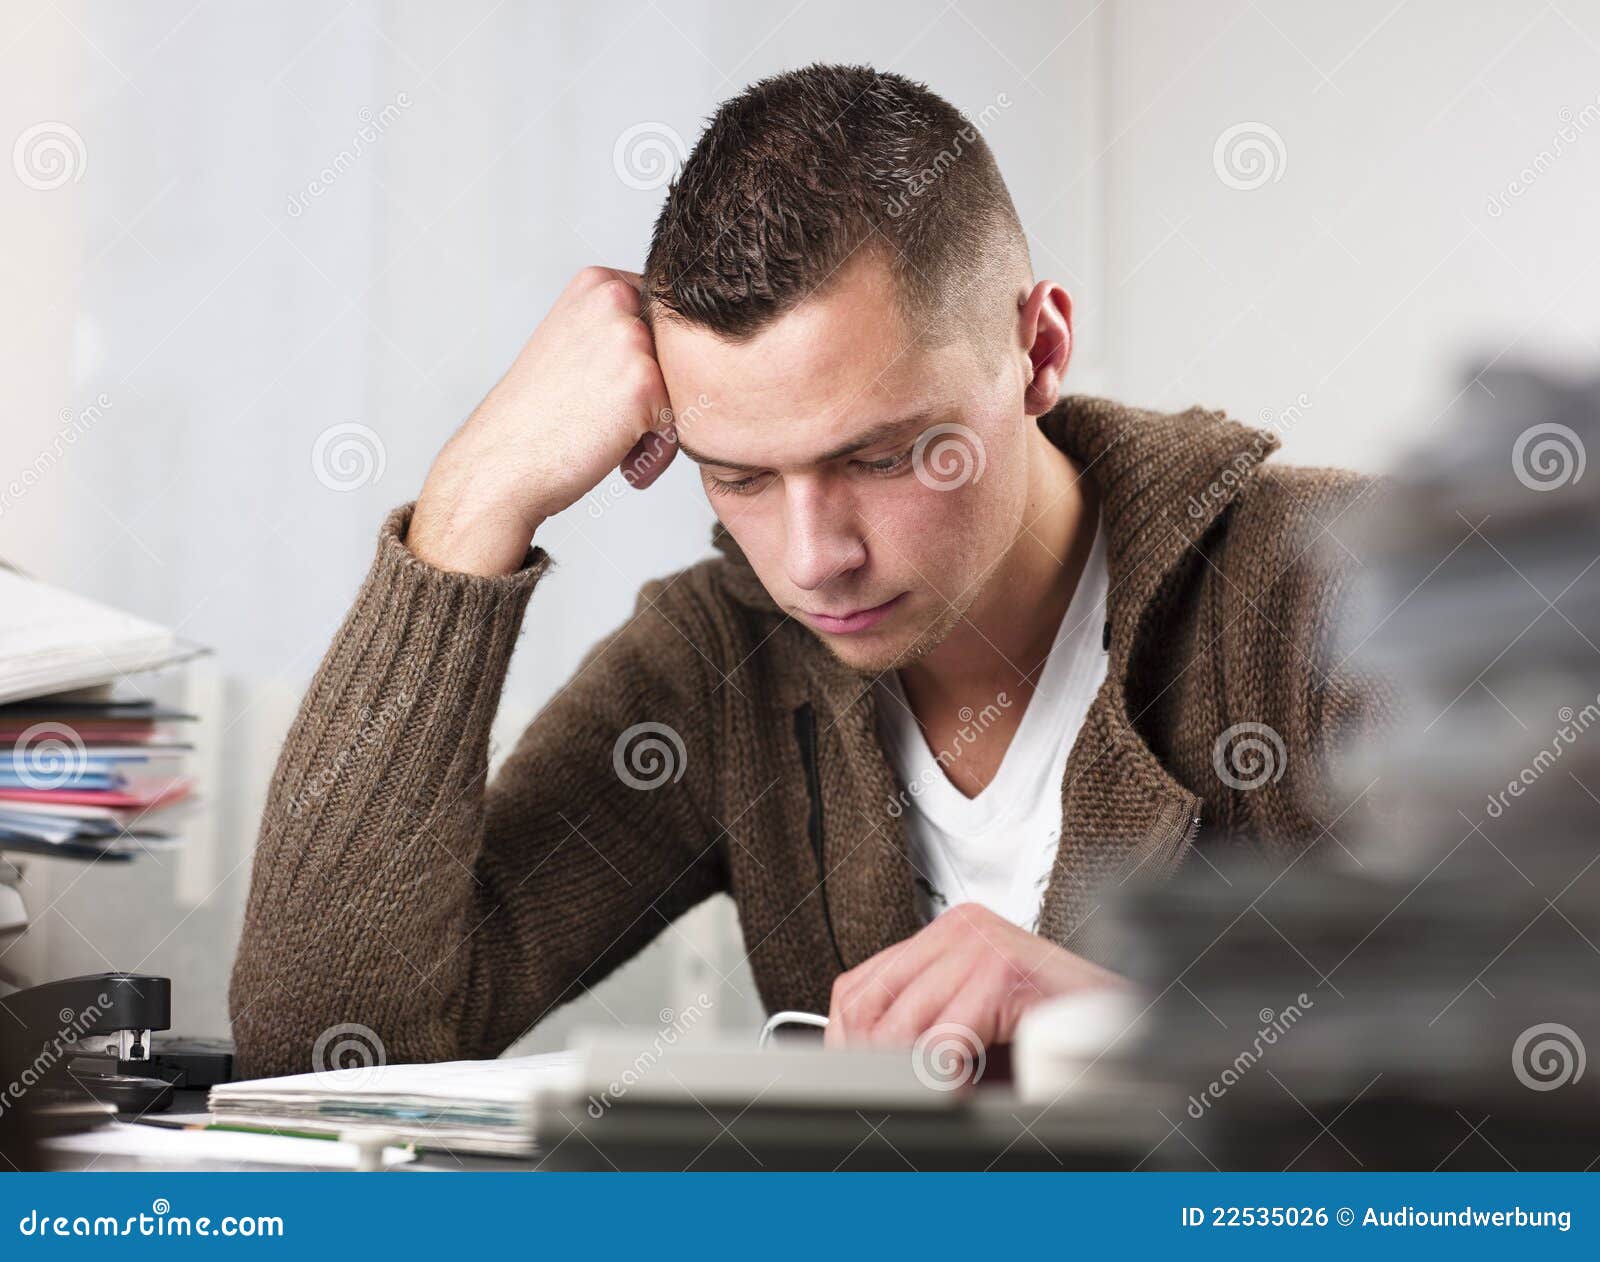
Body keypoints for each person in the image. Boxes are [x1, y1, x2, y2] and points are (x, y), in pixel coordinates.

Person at [228, 64, 1388, 1080]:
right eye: (737, 477)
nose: (811, 559)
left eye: (883, 457)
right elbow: (330, 1039)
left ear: (1037, 350)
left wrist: (1134, 1032)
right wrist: (471, 502)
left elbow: (1550, 1048)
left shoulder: (1343, 591)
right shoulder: (719, 663)